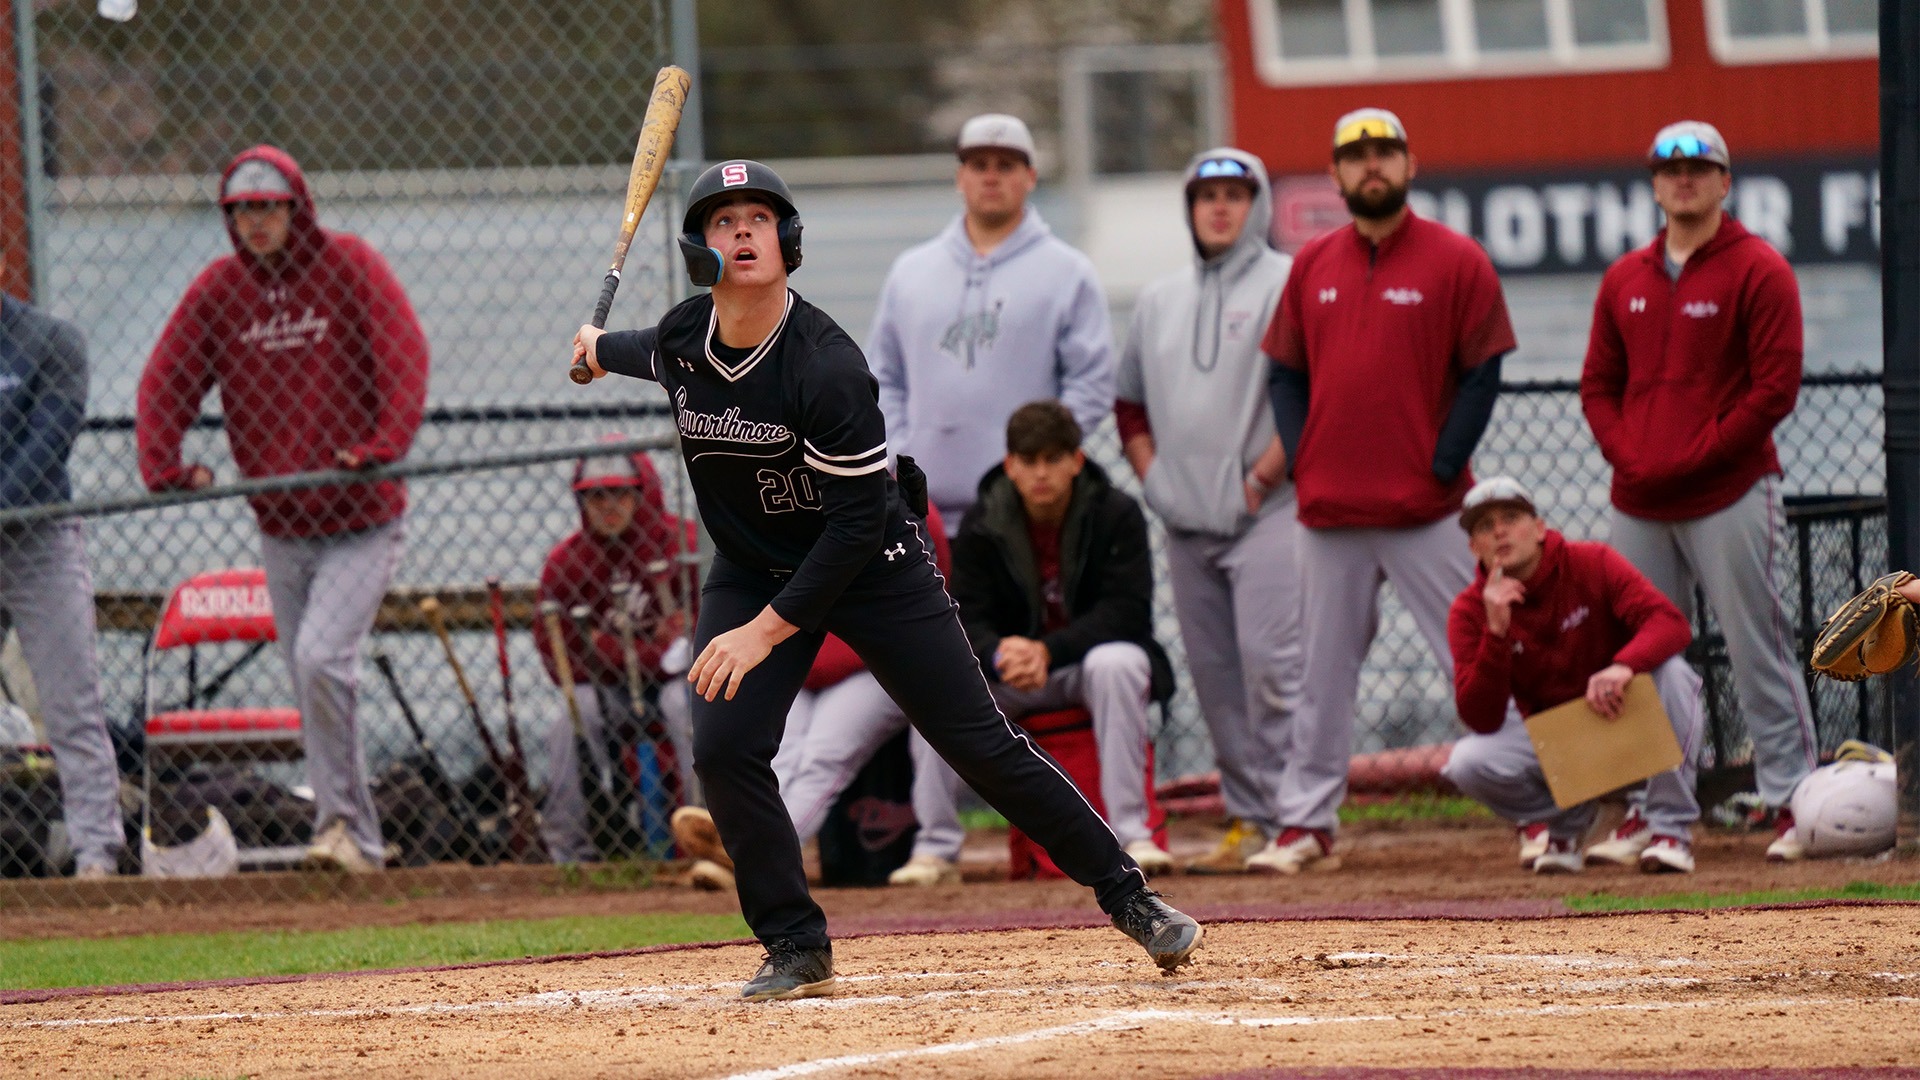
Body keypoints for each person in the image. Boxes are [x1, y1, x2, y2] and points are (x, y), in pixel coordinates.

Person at [572, 160, 1199, 1001]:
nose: (745, 232)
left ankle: (1132, 897)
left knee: (979, 745)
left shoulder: (827, 367)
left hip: (871, 565)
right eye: (725, 222)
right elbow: (642, 350)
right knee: (723, 747)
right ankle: (795, 943)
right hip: (753, 564)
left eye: (760, 217)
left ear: (790, 243)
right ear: (701, 248)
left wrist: (766, 630)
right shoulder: (685, 337)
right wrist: (592, 353)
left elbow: (857, 524)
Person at [137, 146, 430, 874]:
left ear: (296, 207)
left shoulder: (349, 266)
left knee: (320, 658)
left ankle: (346, 830)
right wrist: (162, 462)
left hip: (363, 514)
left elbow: (405, 354)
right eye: (241, 210)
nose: (255, 222)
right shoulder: (221, 290)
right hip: (283, 524)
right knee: (314, 676)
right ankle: (349, 836)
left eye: (268, 207)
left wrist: (384, 443)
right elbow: (167, 376)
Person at [1258, 108, 1516, 874]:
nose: (1372, 165)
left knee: (1479, 654)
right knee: (1319, 672)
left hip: (1429, 509)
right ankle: (1305, 824)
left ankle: (1545, 813)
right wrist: (1307, 457)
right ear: (1336, 174)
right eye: (1355, 155)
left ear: (1409, 164)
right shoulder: (1311, 264)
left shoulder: (1456, 259)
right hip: (1330, 511)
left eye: (1385, 152)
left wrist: (1443, 464)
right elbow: (1283, 369)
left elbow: (1482, 371)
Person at [1580, 121, 1816, 863]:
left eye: (1699, 167)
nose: (1683, 180)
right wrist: (1632, 457)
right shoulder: (1624, 278)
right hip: (1640, 498)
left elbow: (1774, 389)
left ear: (1724, 181)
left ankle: (1793, 803)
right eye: (1669, 169)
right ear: (1654, 184)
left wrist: (1696, 457)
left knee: (1758, 648)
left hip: (1731, 491)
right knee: (1643, 655)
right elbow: (1598, 386)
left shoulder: (1760, 269)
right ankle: (1657, 814)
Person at [1115, 147, 1299, 874]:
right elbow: (1128, 403)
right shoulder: (1160, 299)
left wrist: (1263, 474)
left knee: (1272, 668)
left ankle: (1300, 820)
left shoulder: (1290, 282)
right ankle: (1253, 818)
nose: (1219, 206)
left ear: (1258, 205)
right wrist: (1153, 477)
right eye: (1205, 194)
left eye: (1235, 193)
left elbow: (1310, 392)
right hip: (1184, 522)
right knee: (1216, 677)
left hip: (1269, 513)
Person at [674, 504, 966, 894]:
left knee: (823, 754)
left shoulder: (904, 509)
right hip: (808, 667)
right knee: (781, 754)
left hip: (875, 667)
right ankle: (741, 858)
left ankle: (752, 853)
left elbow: (920, 611)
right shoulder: (786, 506)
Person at [949, 400, 1177, 876]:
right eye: (1029, 461)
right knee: (937, 688)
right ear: (1010, 465)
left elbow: (1127, 613)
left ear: (1077, 460)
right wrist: (996, 653)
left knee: (1118, 663)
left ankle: (1134, 834)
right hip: (1010, 670)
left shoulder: (1115, 512)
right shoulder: (981, 520)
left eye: (1053, 459)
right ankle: (934, 847)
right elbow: (964, 616)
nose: (1041, 473)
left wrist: (1049, 651)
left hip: (1080, 664)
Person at [1440, 477, 1705, 874]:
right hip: (1563, 744)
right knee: (1467, 762)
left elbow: (1670, 623)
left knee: (1674, 675)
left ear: (1539, 528)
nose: (1499, 531)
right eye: (1483, 526)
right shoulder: (1469, 610)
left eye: (1511, 517)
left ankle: (1667, 827)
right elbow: (1482, 718)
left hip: (1620, 713)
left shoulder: (1590, 562)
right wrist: (1495, 634)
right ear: (1473, 548)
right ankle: (1571, 818)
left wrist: (1623, 666)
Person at [869, 113, 1114, 532]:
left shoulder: (1067, 272)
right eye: (979, 165)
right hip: (922, 515)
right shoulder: (911, 271)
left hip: (1026, 516)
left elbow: (1091, 383)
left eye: (1006, 165)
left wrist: (1037, 461)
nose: (991, 177)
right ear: (960, 177)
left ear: (1031, 176)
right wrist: (900, 452)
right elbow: (881, 377)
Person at [0, 294, 124, 878]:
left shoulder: (52, 339)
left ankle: (96, 851)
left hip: (38, 537)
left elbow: (49, 442)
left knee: (71, 701)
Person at [536, 446, 696, 864]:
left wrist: (614, 647)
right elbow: (560, 662)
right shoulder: (567, 562)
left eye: (621, 494)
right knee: (574, 714)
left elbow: (711, 632)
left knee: (685, 705)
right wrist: (649, 651)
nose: (608, 507)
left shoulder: (684, 543)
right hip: (610, 690)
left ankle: (708, 839)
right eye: (595, 496)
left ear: (644, 494)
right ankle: (571, 855)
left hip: (682, 682)